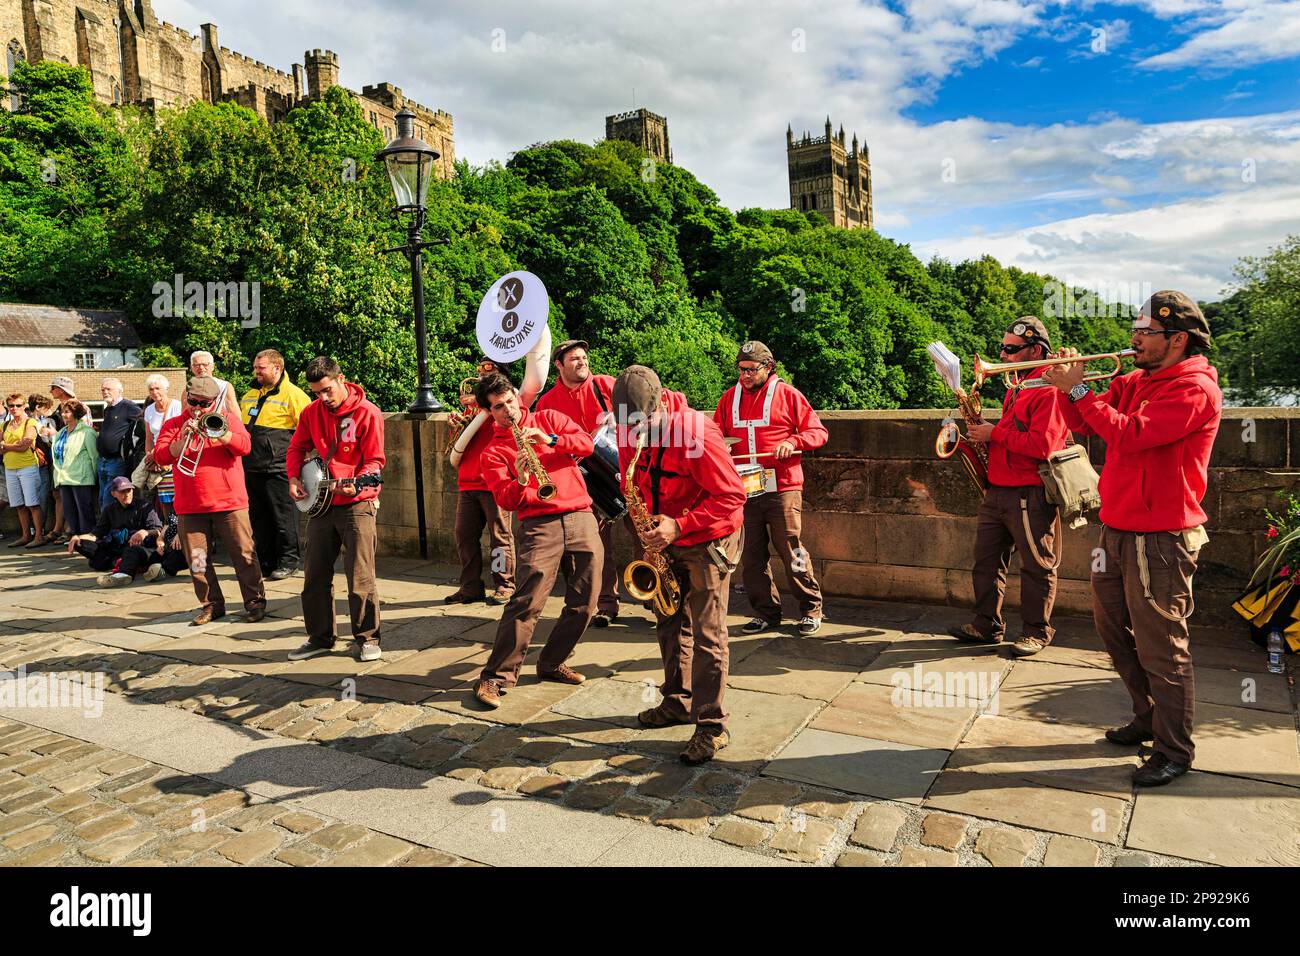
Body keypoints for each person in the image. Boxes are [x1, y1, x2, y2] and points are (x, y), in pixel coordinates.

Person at [1043, 290, 1222, 788]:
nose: (1134, 339)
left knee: (1163, 646)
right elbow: (1085, 423)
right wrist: (1066, 387)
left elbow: (1130, 434)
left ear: (1177, 339)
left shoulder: (1193, 388)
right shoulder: (1140, 378)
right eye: (1136, 330)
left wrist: (1081, 391)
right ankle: (1147, 718)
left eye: (1145, 333)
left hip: (1161, 536)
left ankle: (1174, 748)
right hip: (1116, 527)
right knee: (1112, 630)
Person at [615, 365, 746, 764]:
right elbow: (632, 483)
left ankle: (711, 725)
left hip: (708, 538)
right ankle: (677, 701)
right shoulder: (629, 426)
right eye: (628, 427)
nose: (634, 436)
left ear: (660, 406)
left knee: (708, 632)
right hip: (663, 538)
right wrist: (648, 536)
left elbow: (732, 497)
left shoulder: (696, 432)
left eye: (642, 426)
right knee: (670, 622)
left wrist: (680, 525)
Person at [471, 372, 600, 709]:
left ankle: (552, 662)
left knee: (587, 599)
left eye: (510, 401)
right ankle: (495, 677)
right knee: (527, 601)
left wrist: (552, 440)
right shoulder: (493, 452)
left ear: (516, 395)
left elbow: (587, 444)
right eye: (499, 407)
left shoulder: (549, 418)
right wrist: (523, 477)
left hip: (580, 513)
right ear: (489, 412)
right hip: (539, 523)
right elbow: (506, 499)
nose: (509, 410)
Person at [947, 317, 1070, 657]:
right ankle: (987, 625)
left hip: (1029, 490)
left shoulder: (1047, 389)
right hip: (999, 489)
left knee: (1036, 565)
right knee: (986, 562)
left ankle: (1036, 632)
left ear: (1034, 350)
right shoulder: (1017, 387)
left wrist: (993, 433)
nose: (1002, 356)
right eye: (1002, 348)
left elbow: (1043, 445)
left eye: (1011, 350)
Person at [714, 341, 828, 635]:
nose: (745, 376)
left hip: (783, 488)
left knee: (792, 549)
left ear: (769, 367)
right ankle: (765, 612)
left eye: (752, 370)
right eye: (741, 369)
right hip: (744, 489)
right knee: (750, 557)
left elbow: (817, 431)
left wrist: (793, 442)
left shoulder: (788, 394)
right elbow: (716, 436)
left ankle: (811, 608)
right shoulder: (728, 399)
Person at [285, 356, 386, 662]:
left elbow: (374, 463)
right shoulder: (311, 412)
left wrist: (359, 485)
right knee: (314, 574)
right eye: (317, 392)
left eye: (327, 390)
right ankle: (319, 637)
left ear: (341, 379)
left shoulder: (368, 413)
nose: (323, 398)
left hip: (357, 503)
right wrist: (292, 478)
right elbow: (296, 447)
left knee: (360, 575)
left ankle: (368, 638)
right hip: (321, 503)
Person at [152, 376, 266, 626]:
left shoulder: (227, 418)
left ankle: (254, 601)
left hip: (230, 502)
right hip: (191, 506)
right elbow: (160, 456)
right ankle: (211, 603)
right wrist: (182, 438)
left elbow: (245, 446)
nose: (198, 408)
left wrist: (223, 434)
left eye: (205, 403)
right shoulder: (174, 424)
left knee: (243, 554)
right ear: (186, 398)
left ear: (215, 401)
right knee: (198, 559)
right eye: (193, 401)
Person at [533, 339, 625, 625]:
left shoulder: (606, 385)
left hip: (623, 473)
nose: (582, 362)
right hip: (582, 482)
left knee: (646, 537)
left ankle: (655, 597)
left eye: (584, 357)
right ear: (559, 365)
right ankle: (606, 603)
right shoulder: (547, 403)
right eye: (574, 359)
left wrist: (617, 423)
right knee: (599, 546)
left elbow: (640, 416)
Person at [448, 357, 516, 606]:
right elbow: (462, 443)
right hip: (467, 481)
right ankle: (470, 587)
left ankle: (504, 584)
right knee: (464, 537)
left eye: (489, 371)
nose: (482, 376)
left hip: (493, 482)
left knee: (499, 538)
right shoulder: (473, 407)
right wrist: (457, 424)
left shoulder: (504, 404)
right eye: (480, 371)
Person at [239, 349, 311, 580]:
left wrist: (301, 467)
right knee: (259, 519)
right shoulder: (250, 393)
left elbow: (308, 432)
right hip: (251, 467)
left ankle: (289, 561)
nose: (256, 371)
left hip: (279, 468)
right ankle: (267, 561)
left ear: (277, 368)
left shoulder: (294, 395)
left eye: (261, 368)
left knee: (283, 519)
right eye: (255, 367)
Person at [67, 476, 167, 587]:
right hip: (116, 547)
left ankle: (123, 571)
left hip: (139, 547)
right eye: (122, 492)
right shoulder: (109, 509)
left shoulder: (145, 506)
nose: (127, 494)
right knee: (81, 544)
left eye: (129, 490)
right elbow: (96, 534)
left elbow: (158, 530)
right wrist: (78, 537)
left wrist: (144, 532)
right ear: (114, 493)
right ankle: (117, 561)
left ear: (133, 490)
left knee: (132, 552)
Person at [2, 392, 47, 547]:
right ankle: (26, 535)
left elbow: (24, 446)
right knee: (18, 504)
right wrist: (14, 446)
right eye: (11, 406)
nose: (14, 408)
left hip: (27, 467)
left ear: (24, 406)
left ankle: (39, 536)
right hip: (10, 467)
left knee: (32, 503)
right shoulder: (5, 425)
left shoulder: (30, 423)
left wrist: (6, 446)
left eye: (18, 405)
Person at [51, 400, 99, 545]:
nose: (63, 414)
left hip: (81, 478)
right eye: (62, 411)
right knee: (70, 512)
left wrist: (95, 477)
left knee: (84, 511)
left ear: (76, 413)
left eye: (67, 411)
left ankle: (86, 539)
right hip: (64, 477)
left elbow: (94, 456)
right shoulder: (61, 433)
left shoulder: (87, 432)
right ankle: (75, 538)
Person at [131, 373, 182, 502]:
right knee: (163, 498)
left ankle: (178, 522)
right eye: (151, 389)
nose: (154, 392)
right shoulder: (149, 410)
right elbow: (149, 437)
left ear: (166, 388)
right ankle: (165, 521)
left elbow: (182, 433)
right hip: (158, 458)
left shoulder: (178, 406)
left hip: (175, 456)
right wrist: (150, 455)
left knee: (177, 495)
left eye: (157, 388)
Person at [95, 377, 143, 512]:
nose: (105, 392)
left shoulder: (129, 406)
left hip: (117, 460)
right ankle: (105, 528)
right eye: (103, 390)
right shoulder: (108, 409)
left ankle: (108, 530)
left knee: (109, 498)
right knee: (102, 497)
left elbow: (143, 424)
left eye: (108, 389)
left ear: (119, 391)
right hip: (103, 460)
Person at [29, 394, 59, 540]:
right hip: (31, 463)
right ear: (38, 408)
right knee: (33, 497)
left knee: (45, 496)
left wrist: (50, 435)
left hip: (45, 463)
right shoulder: (28, 421)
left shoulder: (49, 421)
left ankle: (41, 528)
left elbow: (52, 441)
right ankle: (35, 528)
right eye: (47, 408)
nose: (49, 411)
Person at [189, 351, 242, 418]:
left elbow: (236, 415)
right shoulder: (188, 388)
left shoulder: (224, 386)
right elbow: (183, 416)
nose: (201, 367)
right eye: (196, 365)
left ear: (213, 366)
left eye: (205, 364)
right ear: (192, 368)